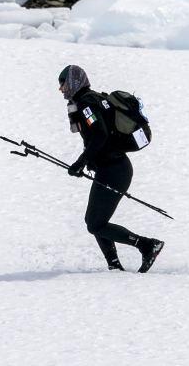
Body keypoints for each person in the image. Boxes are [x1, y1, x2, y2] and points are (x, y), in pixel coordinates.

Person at [59, 64, 165, 273]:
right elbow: (99, 137)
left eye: (62, 83)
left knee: (95, 223)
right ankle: (114, 265)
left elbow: (100, 135)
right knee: (94, 220)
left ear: (72, 82)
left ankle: (146, 245)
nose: (61, 89)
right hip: (111, 168)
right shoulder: (91, 99)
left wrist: (81, 161)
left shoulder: (87, 103)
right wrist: (89, 161)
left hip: (114, 170)